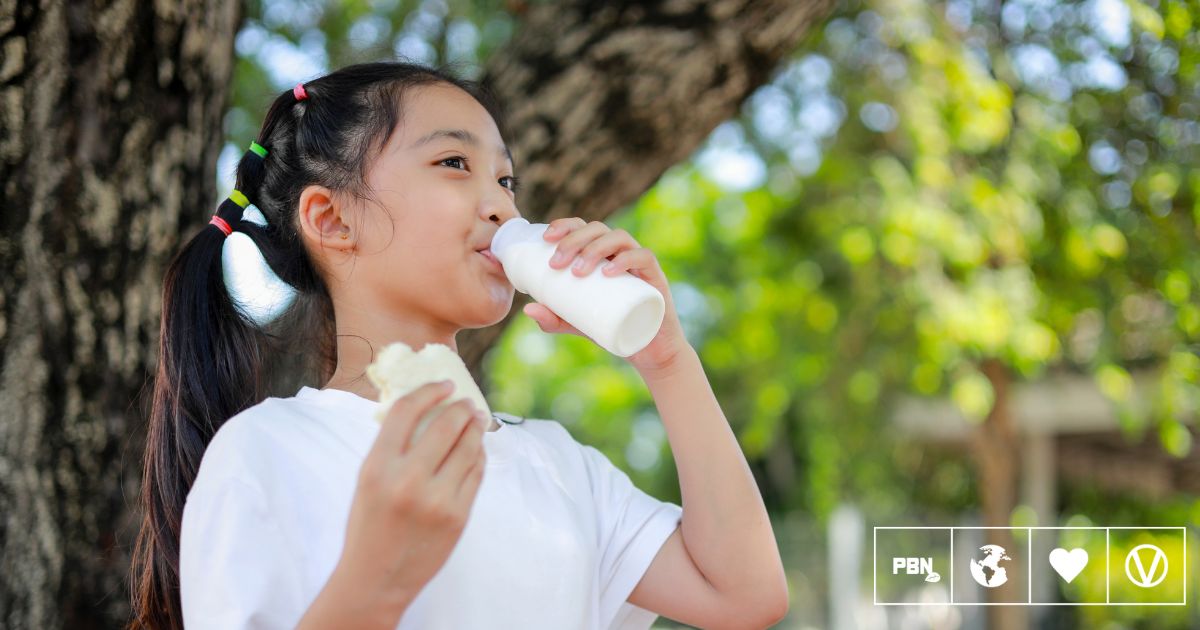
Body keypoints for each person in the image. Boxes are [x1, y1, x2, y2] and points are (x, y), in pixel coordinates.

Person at [128, 60, 787, 630]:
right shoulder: (268, 450)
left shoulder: (558, 463)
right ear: (332, 219)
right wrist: (376, 577)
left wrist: (667, 359)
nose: (502, 206)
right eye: (454, 163)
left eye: (505, 180)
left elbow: (743, 595)